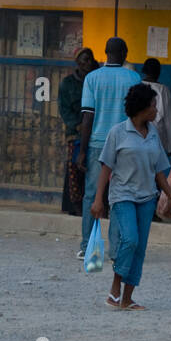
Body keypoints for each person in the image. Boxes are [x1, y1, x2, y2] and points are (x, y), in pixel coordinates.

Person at [91, 82, 171, 310]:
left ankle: (127, 298)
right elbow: (106, 168)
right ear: (142, 108)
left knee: (140, 248)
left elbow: (159, 171)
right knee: (129, 240)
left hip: (146, 198)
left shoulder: (153, 135)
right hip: (122, 196)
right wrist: (98, 199)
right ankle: (115, 288)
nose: (156, 111)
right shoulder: (117, 133)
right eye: (153, 106)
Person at [76, 37, 141, 259]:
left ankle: (87, 247)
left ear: (105, 52)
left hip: (97, 144)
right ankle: (116, 250)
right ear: (124, 53)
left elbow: (88, 117)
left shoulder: (92, 78)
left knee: (92, 196)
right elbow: (139, 117)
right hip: (125, 145)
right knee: (119, 197)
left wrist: (82, 151)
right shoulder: (134, 78)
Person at [58, 47, 98, 217]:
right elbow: (64, 109)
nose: (87, 63)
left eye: (89, 59)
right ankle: (75, 203)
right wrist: (77, 125)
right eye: (83, 60)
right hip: (76, 132)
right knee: (74, 167)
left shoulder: (96, 80)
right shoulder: (68, 83)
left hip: (95, 130)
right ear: (78, 63)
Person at [140, 58, 171, 159]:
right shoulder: (163, 90)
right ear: (159, 72)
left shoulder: (137, 86)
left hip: (138, 135)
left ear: (144, 71)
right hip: (157, 136)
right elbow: (168, 121)